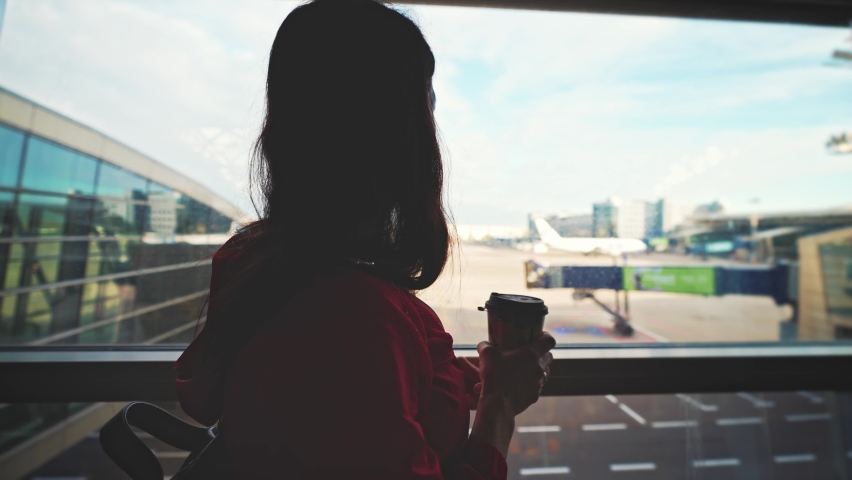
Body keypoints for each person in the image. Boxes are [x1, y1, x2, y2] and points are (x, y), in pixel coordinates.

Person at [174, 1, 555, 478]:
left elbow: (345, 402)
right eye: (426, 105)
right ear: (395, 134)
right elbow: (351, 368)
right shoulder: (350, 317)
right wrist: (499, 410)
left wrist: (451, 378)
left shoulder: (260, 259)